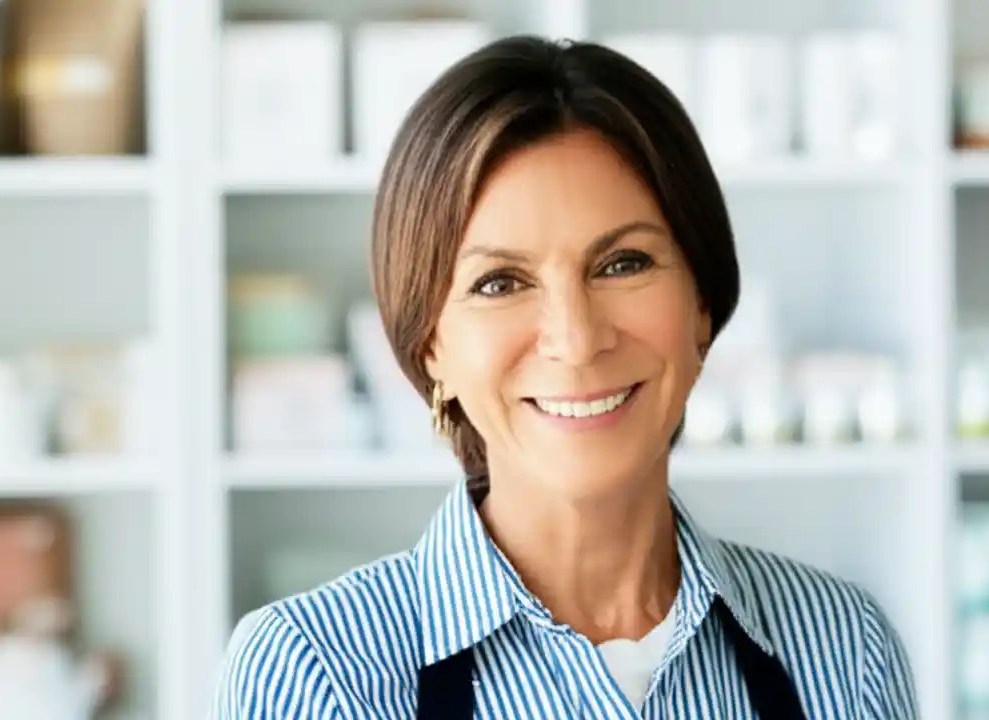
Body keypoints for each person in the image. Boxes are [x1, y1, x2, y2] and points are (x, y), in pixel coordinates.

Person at [213, 35, 918, 719]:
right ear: (430, 347)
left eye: (622, 265)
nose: (577, 340)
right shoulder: (317, 673)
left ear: (701, 306)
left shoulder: (844, 650)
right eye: (499, 283)